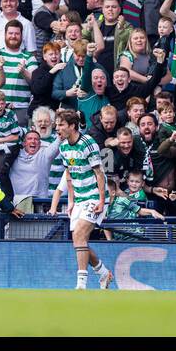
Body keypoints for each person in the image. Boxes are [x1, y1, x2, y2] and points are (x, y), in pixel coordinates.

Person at [47, 108, 113, 289]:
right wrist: (71, 201)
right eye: (57, 125)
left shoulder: (88, 143)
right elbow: (69, 174)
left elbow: (99, 173)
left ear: (72, 126)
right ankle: (103, 273)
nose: (57, 128)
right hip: (80, 198)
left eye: (61, 125)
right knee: (79, 240)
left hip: (94, 196)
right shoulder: (63, 146)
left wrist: (101, 201)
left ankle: (81, 284)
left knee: (79, 235)